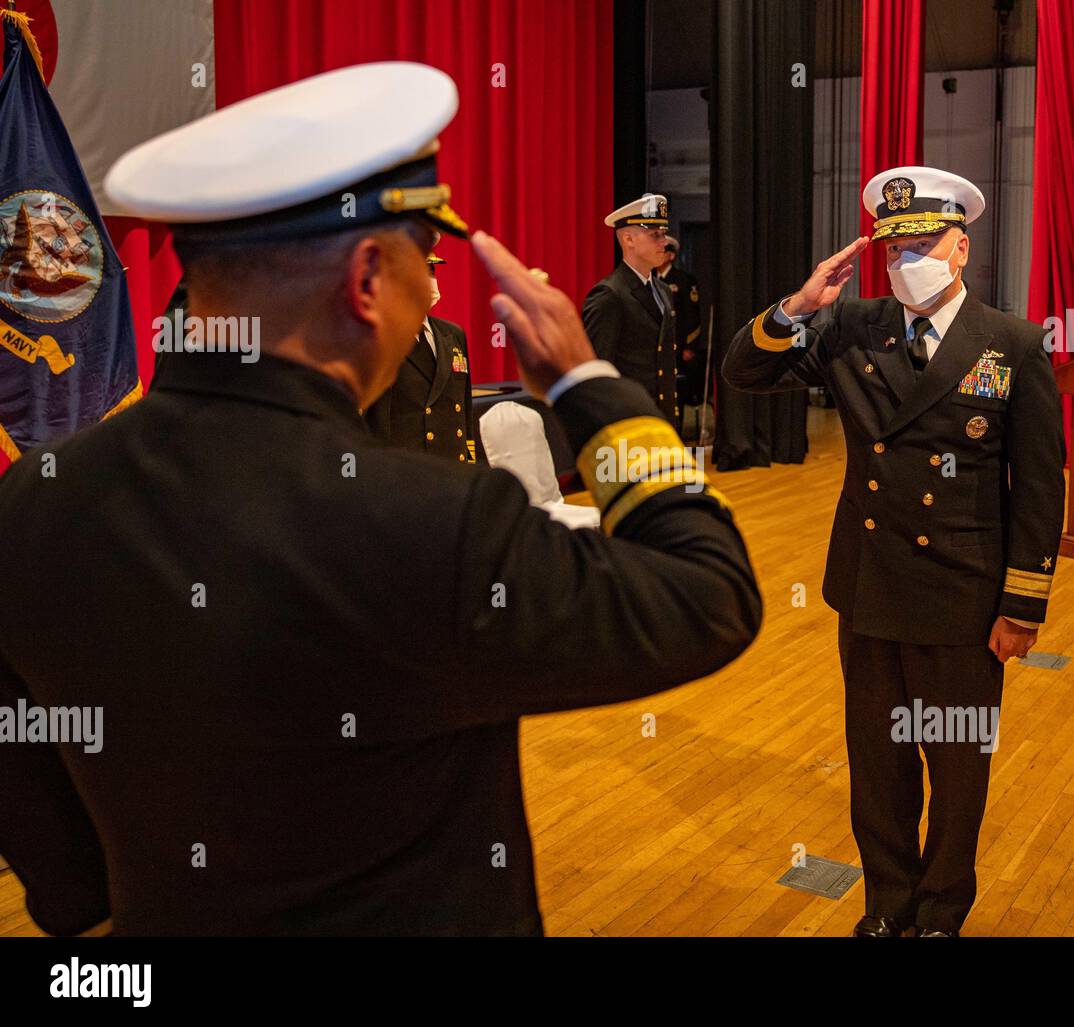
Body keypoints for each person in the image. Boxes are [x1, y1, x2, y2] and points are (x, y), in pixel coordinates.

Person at [0, 63, 761, 937]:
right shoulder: (432, 524)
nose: (430, 291)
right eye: (420, 260)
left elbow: (33, 787)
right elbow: (710, 592)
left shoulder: (34, 505)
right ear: (367, 279)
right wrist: (589, 383)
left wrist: (87, 906)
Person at [723, 166, 1065, 938]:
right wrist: (799, 306)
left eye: (922, 243)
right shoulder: (852, 328)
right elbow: (743, 373)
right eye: (894, 247)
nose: (905, 259)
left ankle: (942, 910)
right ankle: (887, 903)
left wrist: (1022, 605)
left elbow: (1041, 488)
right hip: (872, 589)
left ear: (960, 248)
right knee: (878, 766)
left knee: (954, 767)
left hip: (963, 597)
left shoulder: (1010, 344)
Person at [364, 252, 482, 464]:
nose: (430, 281)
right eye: (420, 271)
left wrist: (469, 458)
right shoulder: (378, 337)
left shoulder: (452, 334)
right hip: (405, 468)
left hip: (452, 463)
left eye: (432, 272)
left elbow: (463, 403)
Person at [582, 194, 678, 423]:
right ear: (628, 239)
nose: (664, 241)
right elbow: (597, 372)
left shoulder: (663, 291)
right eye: (655, 234)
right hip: (627, 420)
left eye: (663, 233)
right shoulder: (610, 295)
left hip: (661, 418)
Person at [657, 236, 704, 407]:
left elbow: (692, 315)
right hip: (658, 343)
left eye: (661, 251)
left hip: (678, 342)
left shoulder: (683, 280)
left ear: (671, 255)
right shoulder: (651, 279)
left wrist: (690, 346)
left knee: (677, 390)